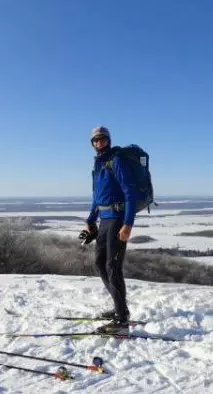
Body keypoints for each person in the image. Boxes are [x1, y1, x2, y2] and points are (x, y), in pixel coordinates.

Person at [85, 125, 137, 334]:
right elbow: (97, 197)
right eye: (96, 140)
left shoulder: (116, 161)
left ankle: (122, 319)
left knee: (113, 267)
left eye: (102, 139)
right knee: (100, 264)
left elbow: (130, 193)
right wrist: (90, 219)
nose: (99, 143)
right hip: (104, 221)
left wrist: (128, 224)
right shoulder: (97, 166)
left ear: (108, 140)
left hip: (117, 220)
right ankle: (119, 307)